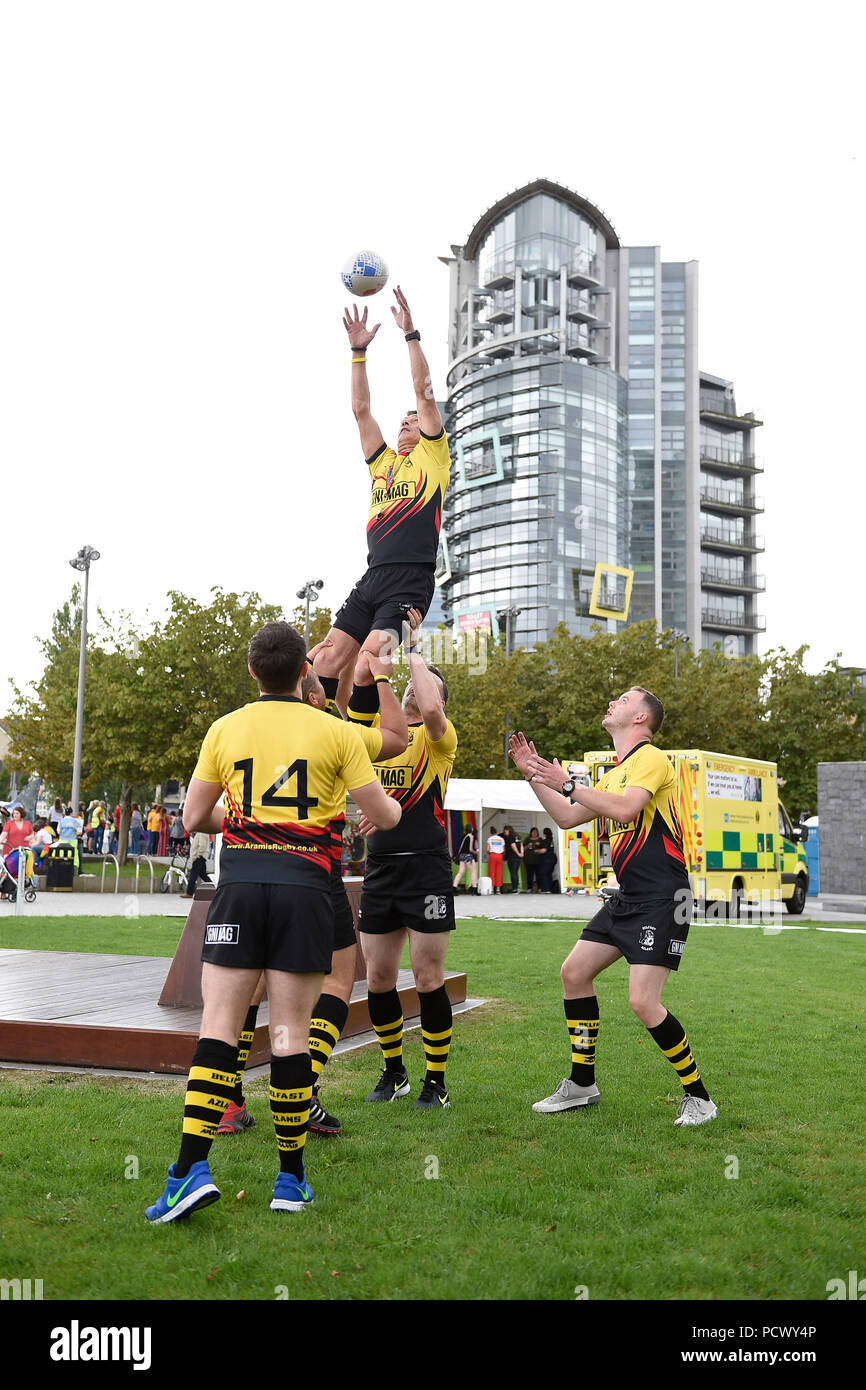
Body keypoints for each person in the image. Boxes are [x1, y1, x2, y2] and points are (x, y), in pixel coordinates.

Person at [145, 620, 402, 1224]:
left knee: (219, 1026)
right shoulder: (335, 732)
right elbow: (385, 816)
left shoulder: (224, 728)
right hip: (307, 891)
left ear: (254, 672)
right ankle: (289, 1181)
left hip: (239, 887)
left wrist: (245, 824)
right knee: (289, 1032)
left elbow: (193, 818)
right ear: (304, 673)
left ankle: (188, 1170)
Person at [217, 644, 409, 1140]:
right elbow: (396, 738)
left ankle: (227, 1100)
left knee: (249, 989)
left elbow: (194, 815)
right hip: (308, 871)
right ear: (310, 690)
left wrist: (345, 665)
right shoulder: (332, 732)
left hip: (247, 870)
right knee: (336, 980)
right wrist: (381, 675)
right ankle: (301, 1094)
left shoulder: (238, 726)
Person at [509, 685, 718, 1128]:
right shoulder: (615, 773)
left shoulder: (652, 758)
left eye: (623, 700)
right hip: (628, 897)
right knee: (574, 972)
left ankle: (699, 1098)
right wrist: (534, 774)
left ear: (641, 718)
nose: (612, 702)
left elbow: (626, 811)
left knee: (643, 1001)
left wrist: (567, 782)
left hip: (664, 897)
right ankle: (582, 1085)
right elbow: (566, 818)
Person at [311, 286, 452, 717]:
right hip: (373, 576)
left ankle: (360, 743)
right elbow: (360, 409)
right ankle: (323, 732)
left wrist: (411, 335)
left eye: (414, 419)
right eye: (404, 420)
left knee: (371, 659)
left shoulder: (433, 456)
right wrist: (358, 353)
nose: (408, 421)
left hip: (411, 580)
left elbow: (424, 392)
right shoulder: (383, 464)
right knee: (324, 662)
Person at [356, 620, 458, 1109]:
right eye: (415, 683)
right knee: (377, 979)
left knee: (428, 978)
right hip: (381, 868)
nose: (418, 691)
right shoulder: (384, 736)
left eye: (426, 683)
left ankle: (434, 1081)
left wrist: (413, 649)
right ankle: (393, 1070)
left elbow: (432, 704)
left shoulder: (440, 738)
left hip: (426, 868)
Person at [181, 829, 211, 900]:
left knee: (193, 875)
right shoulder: (201, 832)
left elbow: (202, 845)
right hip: (200, 857)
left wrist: (198, 855)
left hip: (199, 857)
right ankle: (214, 889)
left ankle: (189, 893)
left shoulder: (203, 831)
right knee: (203, 875)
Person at [452, 826, 477, 894]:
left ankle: (454, 888)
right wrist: (476, 851)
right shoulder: (471, 836)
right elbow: (470, 849)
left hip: (462, 856)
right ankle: (474, 889)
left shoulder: (464, 836)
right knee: (473, 872)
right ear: (471, 829)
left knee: (460, 872)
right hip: (468, 856)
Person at [523, 828, 545, 893]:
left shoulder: (540, 839)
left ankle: (540, 888)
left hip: (538, 861)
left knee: (539, 875)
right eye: (533, 832)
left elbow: (545, 848)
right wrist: (527, 846)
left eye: (536, 832)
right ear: (531, 833)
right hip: (528, 861)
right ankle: (529, 888)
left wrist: (540, 845)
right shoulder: (527, 839)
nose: (534, 833)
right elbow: (523, 849)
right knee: (529, 875)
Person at [503, 825, 524, 893]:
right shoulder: (517, 836)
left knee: (513, 873)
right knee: (515, 872)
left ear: (507, 830)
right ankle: (516, 887)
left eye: (505, 831)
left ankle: (514, 888)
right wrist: (521, 853)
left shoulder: (510, 836)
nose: (505, 833)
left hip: (512, 857)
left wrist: (518, 853)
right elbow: (521, 845)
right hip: (518, 858)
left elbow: (513, 845)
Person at [538, 826, 558, 893]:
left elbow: (544, 850)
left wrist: (536, 851)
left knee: (543, 874)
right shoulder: (551, 840)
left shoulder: (545, 841)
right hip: (553, 859)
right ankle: (549, 889)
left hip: (547, 859)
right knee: (549, 874)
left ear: (544, 834)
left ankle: (545, 889)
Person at [486, 827, 505, 894]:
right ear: (497, 832)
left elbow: (487, 849)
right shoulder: (501, 839)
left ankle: (491, 889)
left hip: (492, 855)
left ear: (491, 833)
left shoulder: (490, 839)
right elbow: (504, 850)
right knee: (499, 872)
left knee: (492, 872)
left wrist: (490, 853)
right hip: (500, 856)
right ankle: (498, 889)